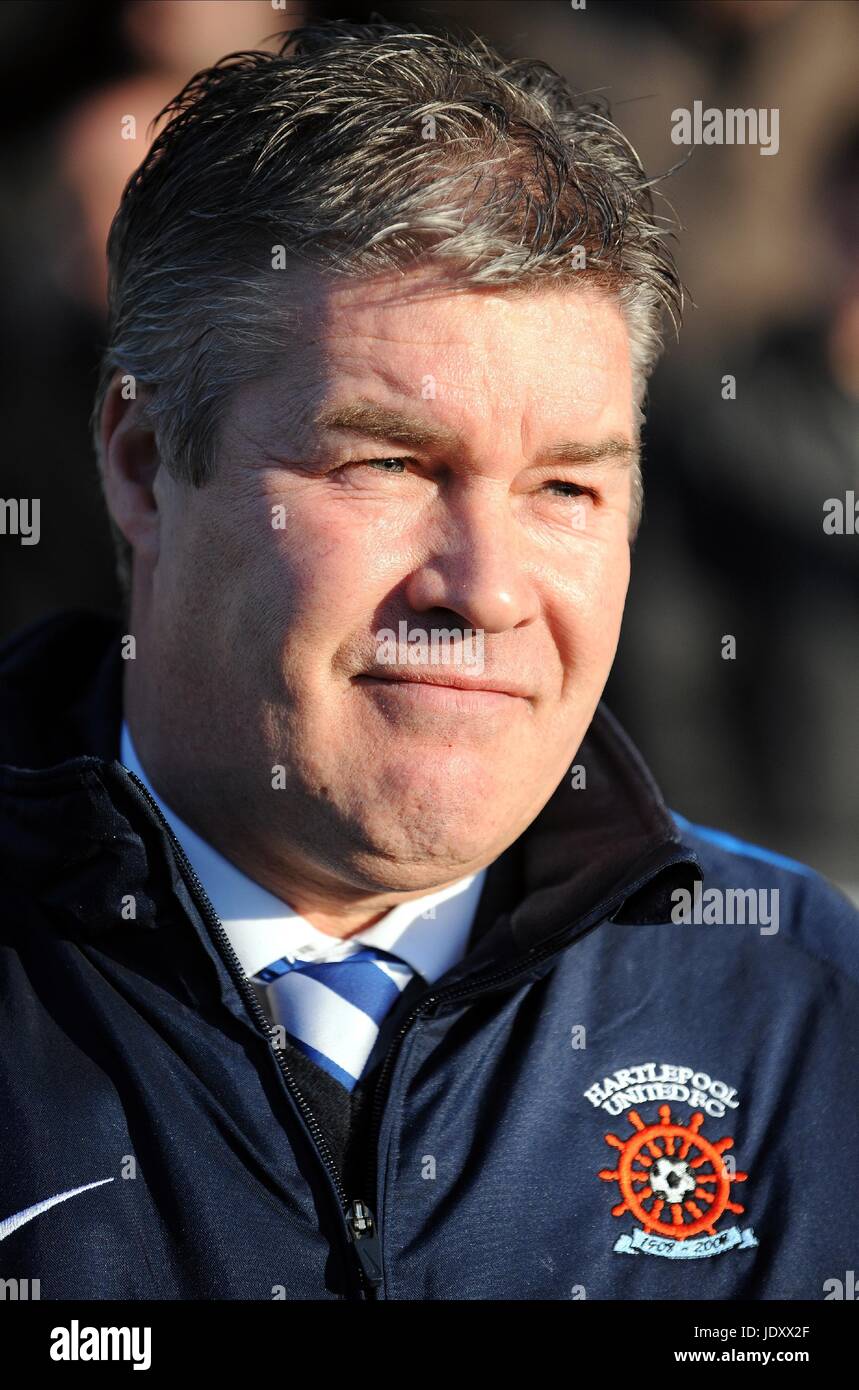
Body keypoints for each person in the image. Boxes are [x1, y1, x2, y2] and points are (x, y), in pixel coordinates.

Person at [0, 18, 856, 1301]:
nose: (489, 588)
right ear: (140, 462)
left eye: (565, 488)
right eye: (391, 463)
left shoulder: (797, 1007)